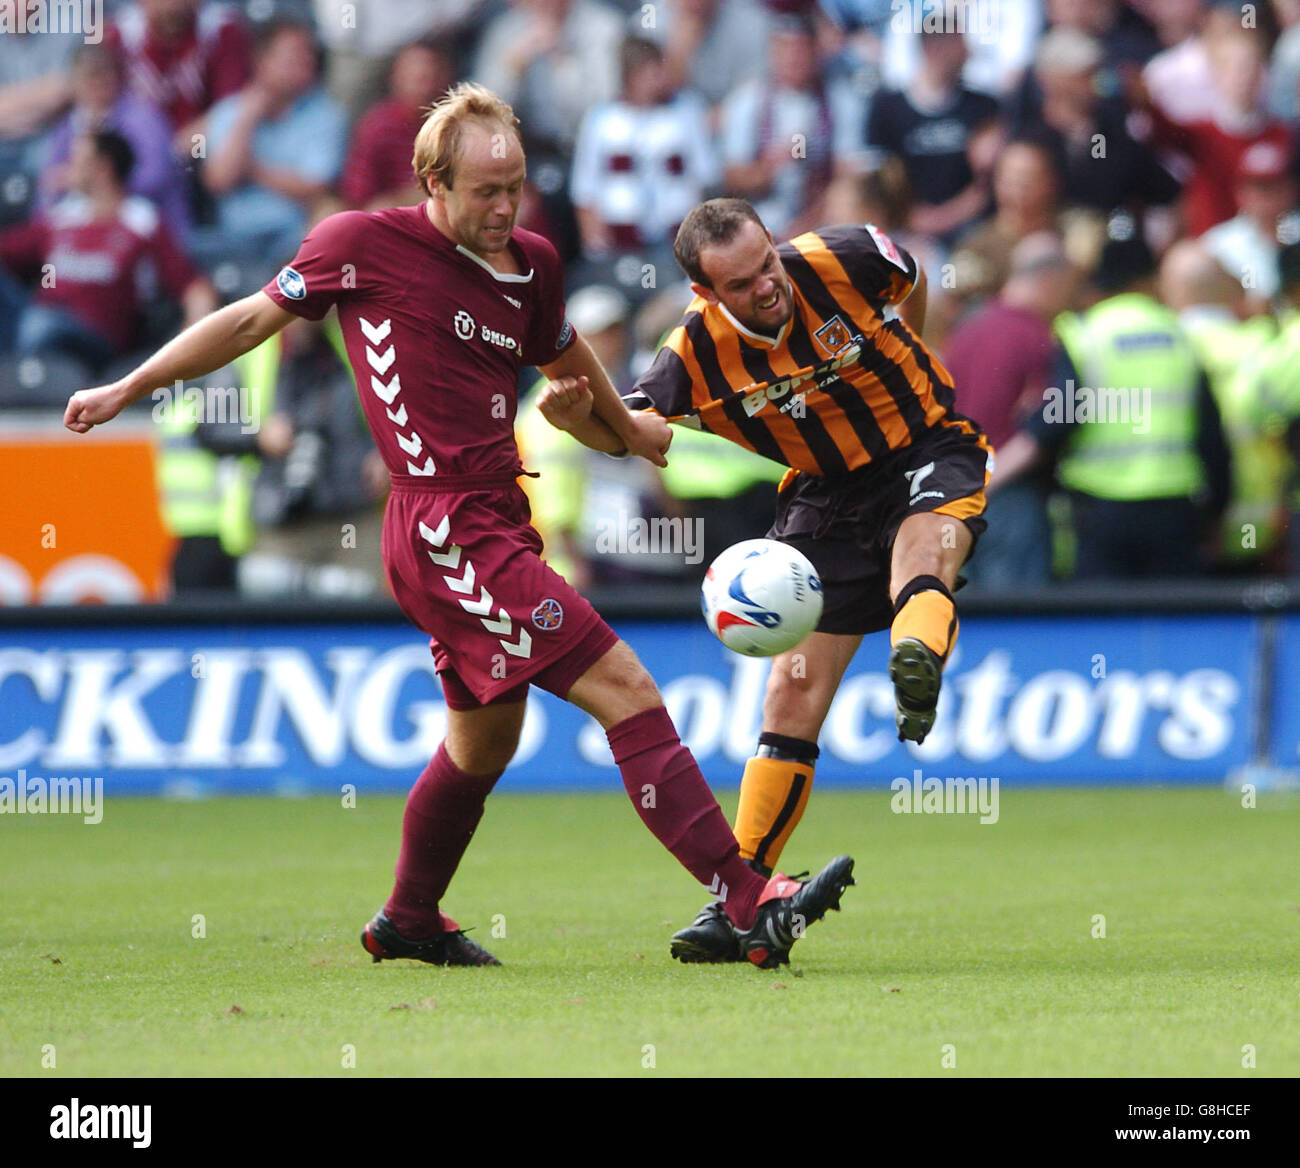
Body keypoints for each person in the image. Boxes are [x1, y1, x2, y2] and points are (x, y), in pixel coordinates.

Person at [62, 84, 854, 970]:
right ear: (432, 180)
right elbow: (248, 319)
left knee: (485, 739)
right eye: (486, 190)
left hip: (498, 516)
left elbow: (564, 357)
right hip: (441, 525)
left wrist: (625, 429)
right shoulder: (360, 245)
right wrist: (130, 386)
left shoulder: (535, 261)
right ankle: (746, 900)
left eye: (514, 185)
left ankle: (407, 918)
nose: (505, 206)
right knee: (626, 686)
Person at [538, 197, 990, 962]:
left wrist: (912, 337)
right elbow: (634, 438)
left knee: (923, 552)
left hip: (925, 446)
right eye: (744, 283)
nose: (768, 286)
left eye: (769, 263)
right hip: (825, 493)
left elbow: (911, 275)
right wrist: (572, 419)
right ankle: (740, 895)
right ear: (707, 295)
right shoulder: (690, 357)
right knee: (790, 689)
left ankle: (916, 666)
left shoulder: (845, 256)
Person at [990, 216, 1232, 579]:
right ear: (1150, 280)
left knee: (1103, 624)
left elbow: (1058, 423)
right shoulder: (1179, 336)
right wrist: (1217, 510)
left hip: (1101, 515)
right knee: (1174, 624)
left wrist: (1029, 424)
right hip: (1173, 512)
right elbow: (1211, 435)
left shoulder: (1082, 334)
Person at [0, 129, 214, 374]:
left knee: (40, 324)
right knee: (36, 321)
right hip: (40, 322)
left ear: (103, 167)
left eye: (77, 161)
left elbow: (195, 290)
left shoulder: (141, 222)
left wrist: (185, 355)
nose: (68, 168)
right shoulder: (62, 218)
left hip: (97, 336)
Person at [942, 232, 1077, 589]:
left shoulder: (966, 332)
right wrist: (993, 479)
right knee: (1019, 618)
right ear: (1050, 279)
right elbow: (1047, 425)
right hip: (1010, 500)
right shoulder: (1039, 339)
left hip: (955, 500)